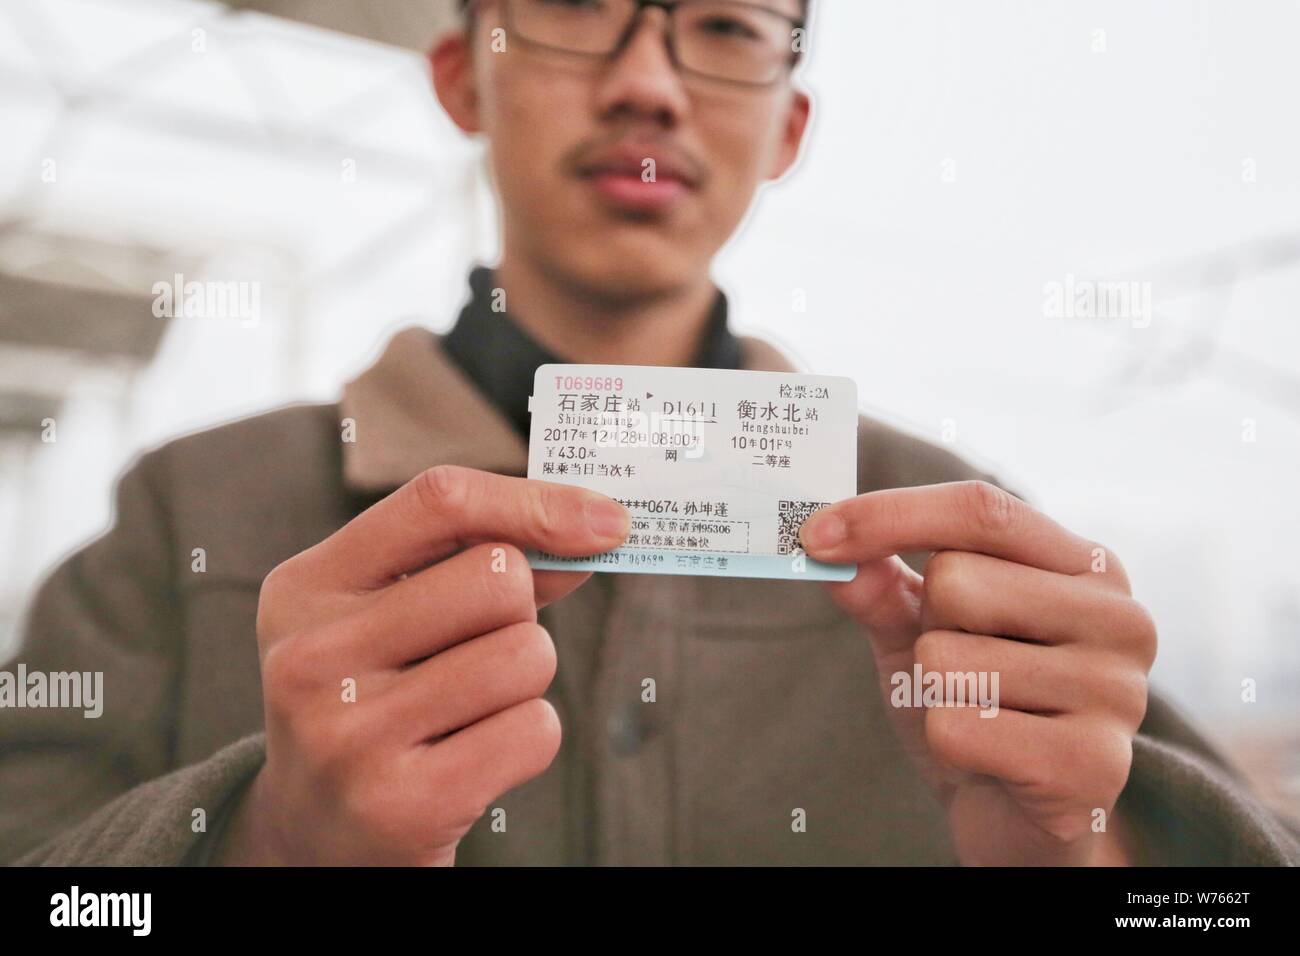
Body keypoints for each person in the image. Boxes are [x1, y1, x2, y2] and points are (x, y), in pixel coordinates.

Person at [2, 0, 1295, 866]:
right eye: (574, 2)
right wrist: (257, 840)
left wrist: (1102, 851)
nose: (646, 84)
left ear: (787, 126)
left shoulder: (965, 541)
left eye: (725, 25)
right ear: (461, 74)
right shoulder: (188, 509)